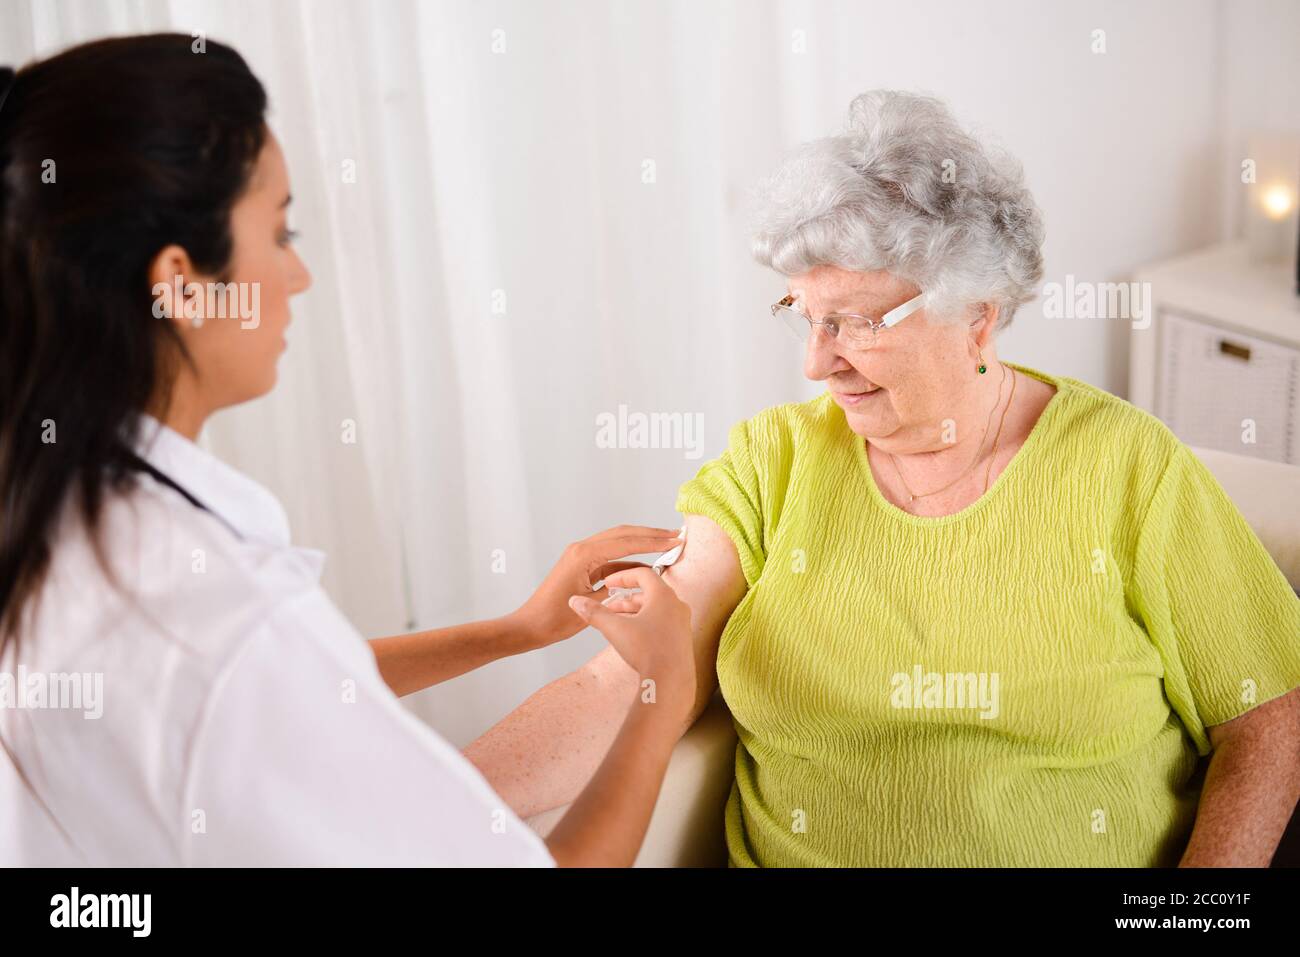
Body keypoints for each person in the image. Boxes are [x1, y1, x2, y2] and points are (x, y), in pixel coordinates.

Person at [467, 90, 1300, 867]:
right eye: (803, 315)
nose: (817, 361)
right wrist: (411, 811)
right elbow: (618, 686)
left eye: (856, 323)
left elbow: (1270, 721)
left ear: (978, 312)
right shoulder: (772, 466)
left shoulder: (1129, 468)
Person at [0, 34, 693, 867]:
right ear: (181, 280)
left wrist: (515, 630)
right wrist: (660, 695)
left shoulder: (59, 513)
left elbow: (279, 695)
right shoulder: (217, 618)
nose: (300, 277)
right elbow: (250, 676)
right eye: (280, 232)